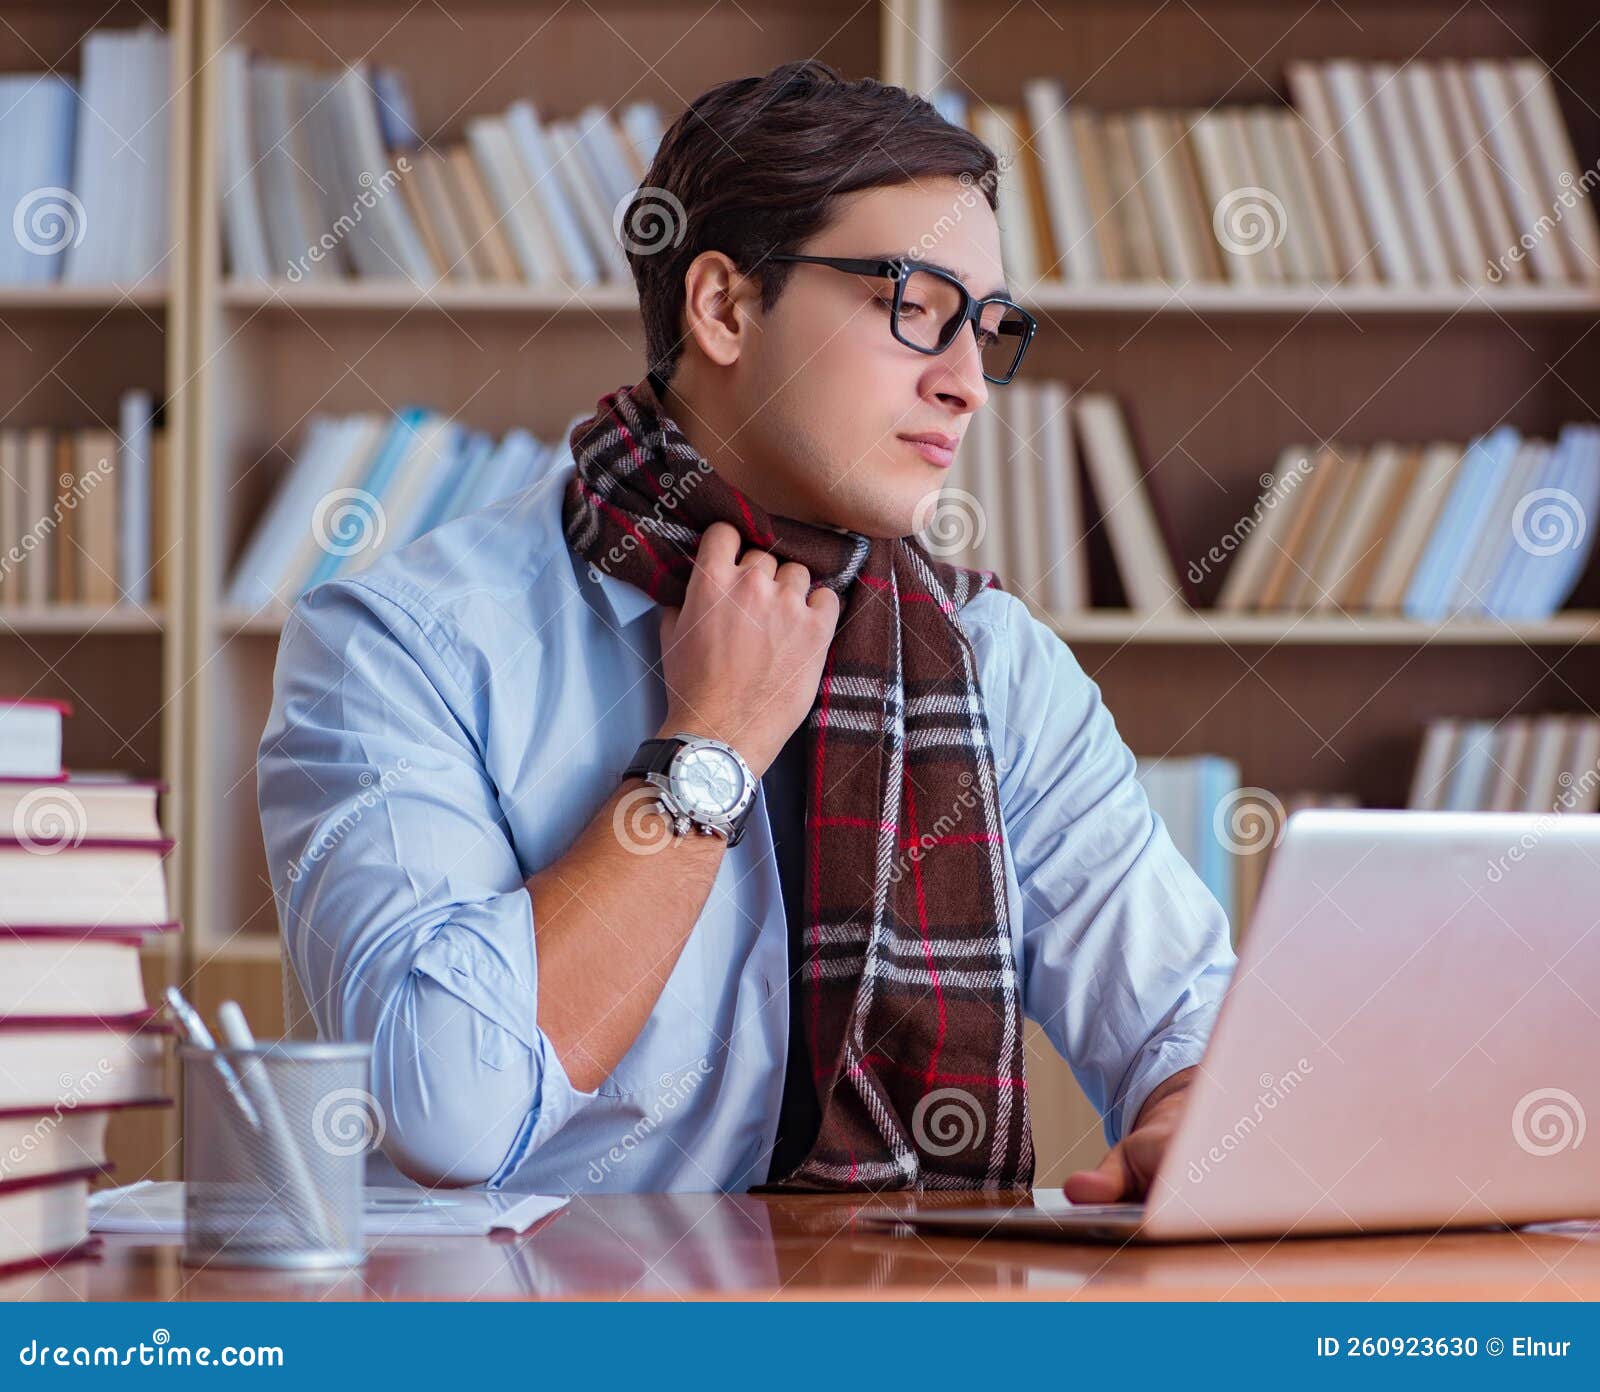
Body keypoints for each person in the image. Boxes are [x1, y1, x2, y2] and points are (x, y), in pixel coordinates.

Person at [258, 60, 1235, 1197]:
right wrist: (710, 745)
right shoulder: (396, 648)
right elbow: (447, 1113)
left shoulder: (992, 661)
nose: (970, 383)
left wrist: (1193, 1113)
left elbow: (1186, 1020)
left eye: (987, 328)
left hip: (914, 1300)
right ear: (723, 307)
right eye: (916, 308)